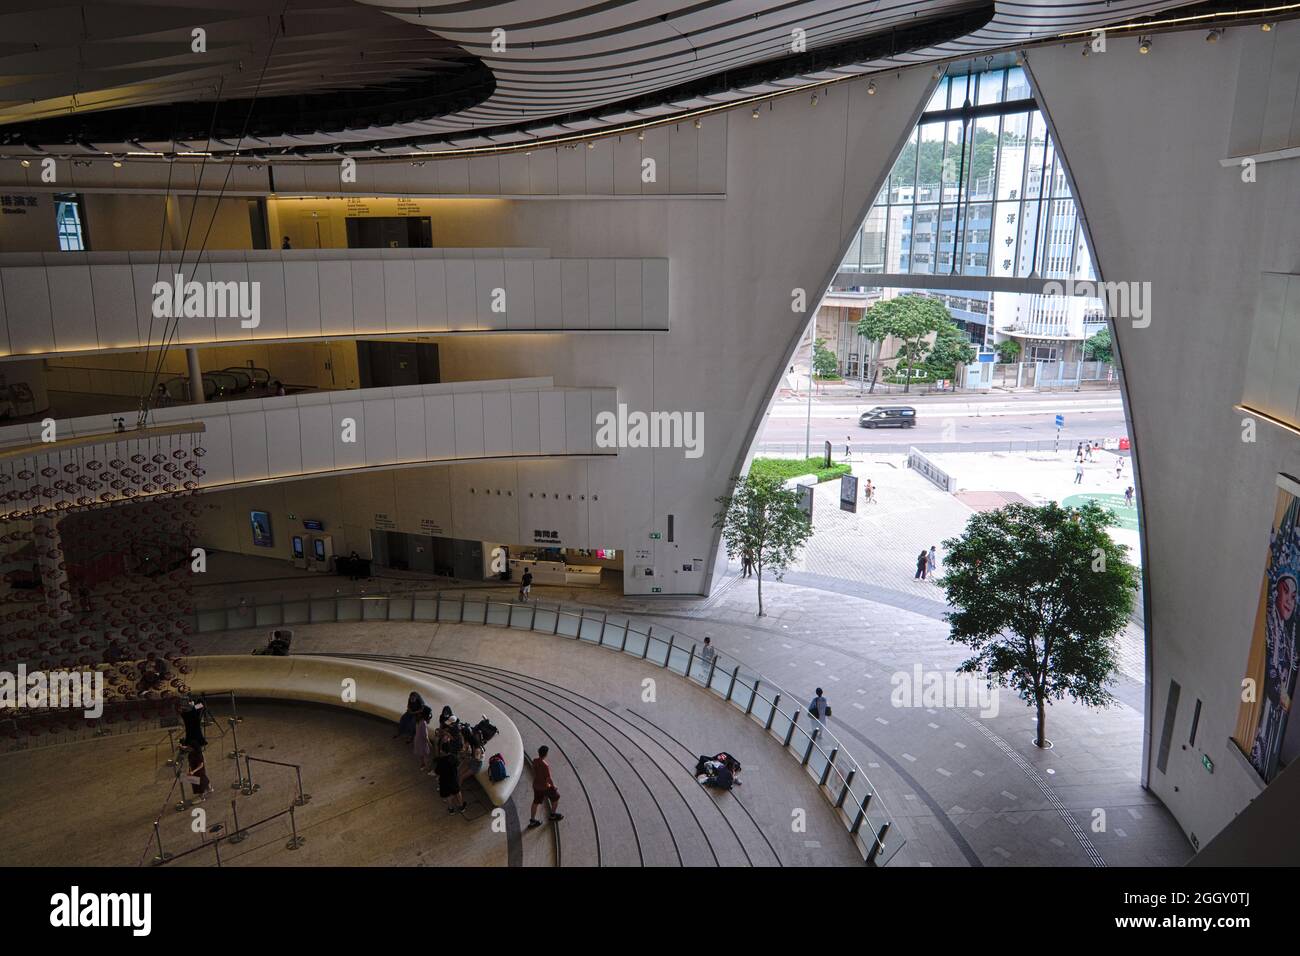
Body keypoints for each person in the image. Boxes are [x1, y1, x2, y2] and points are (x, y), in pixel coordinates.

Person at [527, 745, 563, 828]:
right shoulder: (545, 765)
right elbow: (548, 779)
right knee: (556, 797)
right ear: (546, 754)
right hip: (545, 787)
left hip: (536, 785)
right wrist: (553, 786)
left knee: (535, 802)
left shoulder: (535, 761)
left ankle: (532, 821)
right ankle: (552, 815)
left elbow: (535, 771)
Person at [433, 728, 466, 814]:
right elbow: (458, 765)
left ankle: (451, 809)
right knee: (457, 792)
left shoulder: (440, 761)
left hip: (444, 781)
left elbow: (437, 772)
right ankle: (461, 806)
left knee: (447, 795)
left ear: (442, 751)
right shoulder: (454, 758)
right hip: (453, 779)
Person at [413, 705, 432, 771]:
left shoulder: (418, 719)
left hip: (417, 740)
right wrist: (429, 744)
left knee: (421, 754)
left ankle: (422, 766)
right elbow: (425, 736)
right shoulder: (423, 722)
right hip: (422, 741)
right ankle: (428, 769)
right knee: (426, 755)